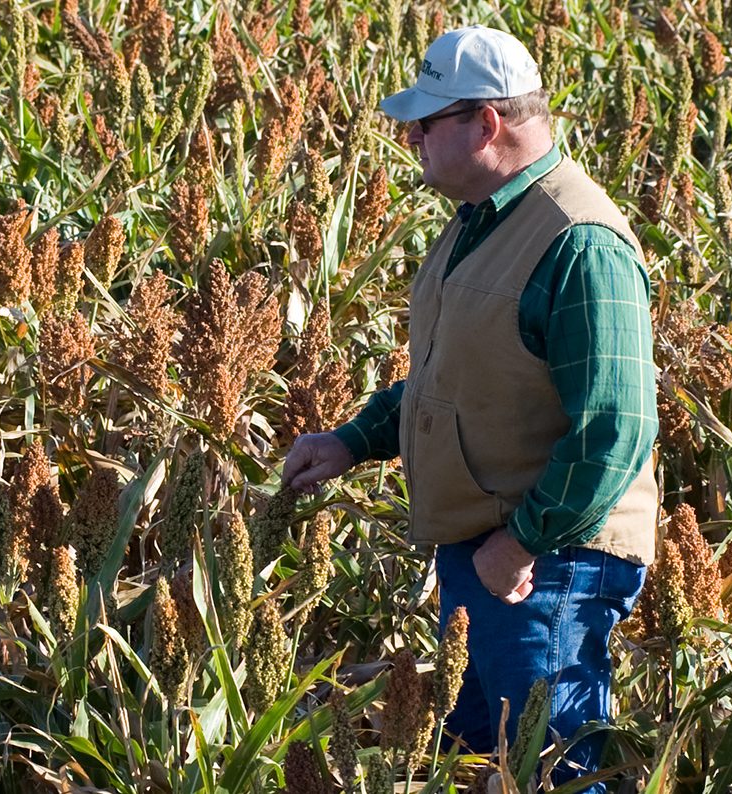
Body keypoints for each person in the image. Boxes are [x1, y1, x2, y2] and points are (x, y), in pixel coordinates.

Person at [278, 25, 660, 792]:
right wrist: (354, 440)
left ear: (486, 123)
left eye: (425, 123)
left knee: (543, 777)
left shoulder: (579, 242)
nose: (410, 138)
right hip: (490, 561)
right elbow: (454, 381)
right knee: (475, 772)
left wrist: (519, 544)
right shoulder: (480, 223)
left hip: (545, 570)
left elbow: (614, 430)